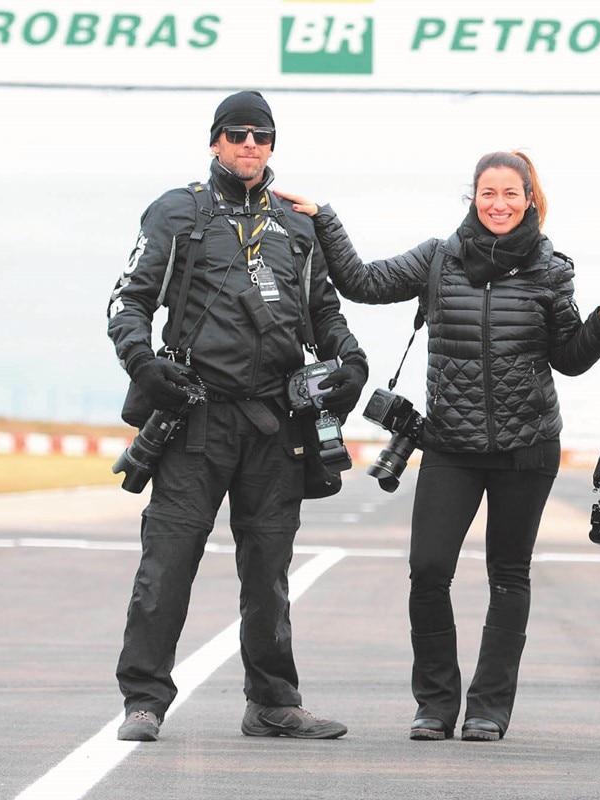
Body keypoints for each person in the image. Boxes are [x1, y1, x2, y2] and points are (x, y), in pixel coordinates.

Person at [279, 151, 600, 742]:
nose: (499, 204)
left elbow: (570, 358)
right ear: (473, 198)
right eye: (488, 193)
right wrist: (326, 219)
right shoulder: (439, 258)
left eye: (511, 193)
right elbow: (362, 282)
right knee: (428, 571)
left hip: (527, 447)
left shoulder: (551, 270)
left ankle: (488, 707)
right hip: (451, 446)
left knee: (509, 575)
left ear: (529, 199)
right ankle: (434, 703)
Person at [105, 90, 368, 742]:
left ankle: (273, 702)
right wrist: (143, 363)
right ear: (216, 140)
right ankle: (143, 700)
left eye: (261, 134)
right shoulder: (178, 213)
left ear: (273, 145)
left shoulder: (297, 226)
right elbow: (126, 301)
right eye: (237, 132)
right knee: (166, 563)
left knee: (269, 570)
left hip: (275, 423)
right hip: (194, 420)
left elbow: (326, 315)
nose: (249, 143)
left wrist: (353, 361)